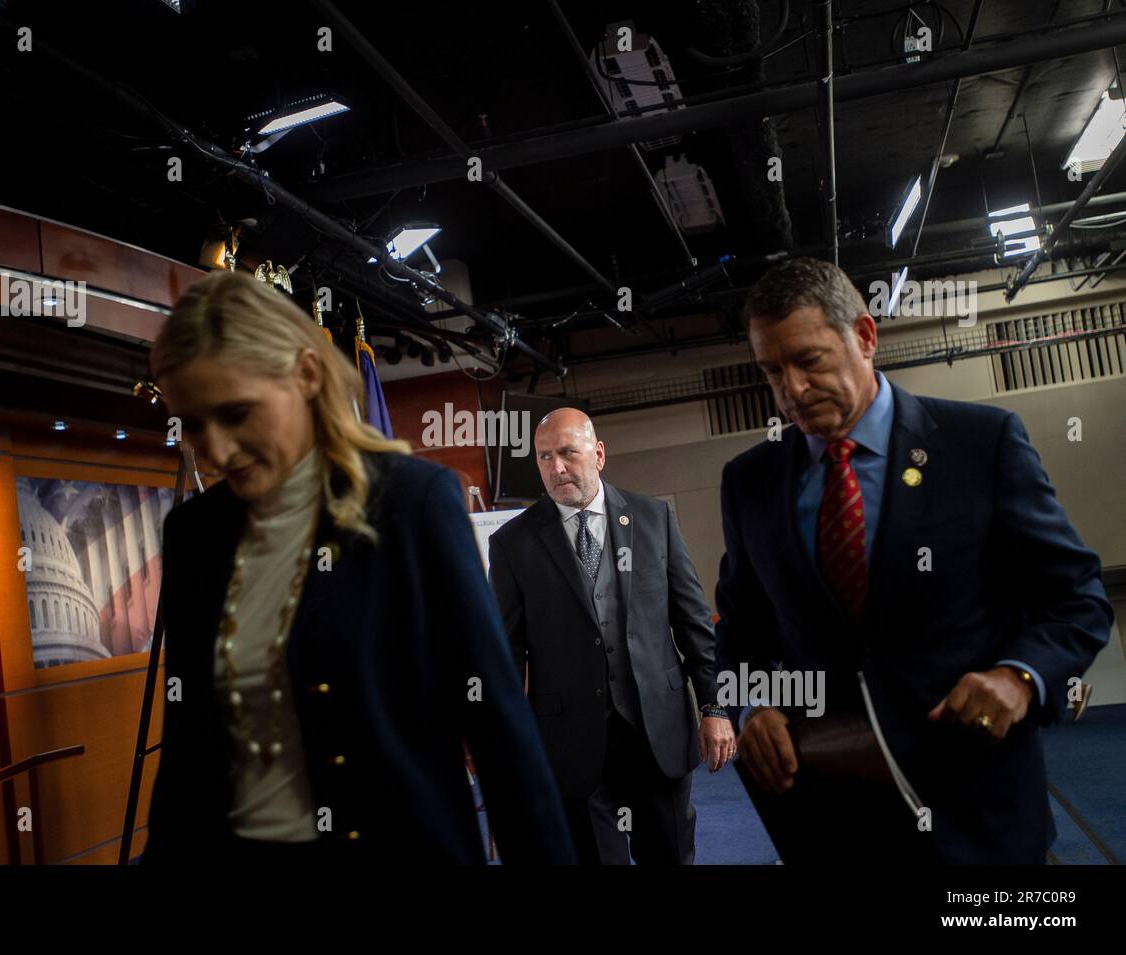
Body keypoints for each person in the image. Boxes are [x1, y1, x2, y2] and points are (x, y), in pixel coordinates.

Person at [140, 270, 574, 865]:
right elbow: (188, 748)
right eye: (192, 424)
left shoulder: (411, 503)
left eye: (236, 413)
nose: (214, 450)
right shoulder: (195, 535)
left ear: (308, 376)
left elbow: (497, 725)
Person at [716, 256, 1113, 864]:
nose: (790, 390)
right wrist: (751, 703)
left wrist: (1020, 677)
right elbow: (742, 628)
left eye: (809, 361)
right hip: (835, 814)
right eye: (772, 371)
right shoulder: (749, 482)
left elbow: (1077, 597)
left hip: (977, 812)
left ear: (865, 337)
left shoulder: (982, 444)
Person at [488, 408, 733, 864]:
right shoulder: (512, 544)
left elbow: (694, 622)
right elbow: (505, 656)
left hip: (658, 730)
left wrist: (714, 707)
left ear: (598, 453)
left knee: (672, 856)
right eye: (544, 457)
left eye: (567, 453)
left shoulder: (653, 517)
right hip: (572, 745)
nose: (556, 467)